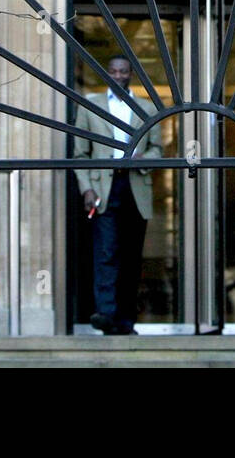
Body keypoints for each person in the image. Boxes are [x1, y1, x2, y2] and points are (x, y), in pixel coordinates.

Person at [72, 55, 162, 334]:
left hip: (135, 187)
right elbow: (80, 154)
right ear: (107, 74)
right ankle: (106, 314)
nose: (119, 75)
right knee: (106, 252)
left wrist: (143, 156)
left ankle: (126, 322)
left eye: (124, 71)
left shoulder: (147, 108)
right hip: (103, 188)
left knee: (131, 258)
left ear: (131, 74)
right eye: (113, 71)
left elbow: (158, 149)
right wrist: (86, 188)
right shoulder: (90, 105)